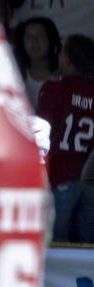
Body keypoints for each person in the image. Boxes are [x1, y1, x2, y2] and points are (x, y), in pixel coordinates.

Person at [36, 34, 94, 188]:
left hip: (56, 176)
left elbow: (40, 132)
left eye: (62, 52)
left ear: (68, 60)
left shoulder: (53, 89)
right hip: (87, 181)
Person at [13, 16, 62, 107]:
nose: (34, 41)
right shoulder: (16, 77)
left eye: (41, 35)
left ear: (51, 40)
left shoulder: (64, 78)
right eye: (29, 37)